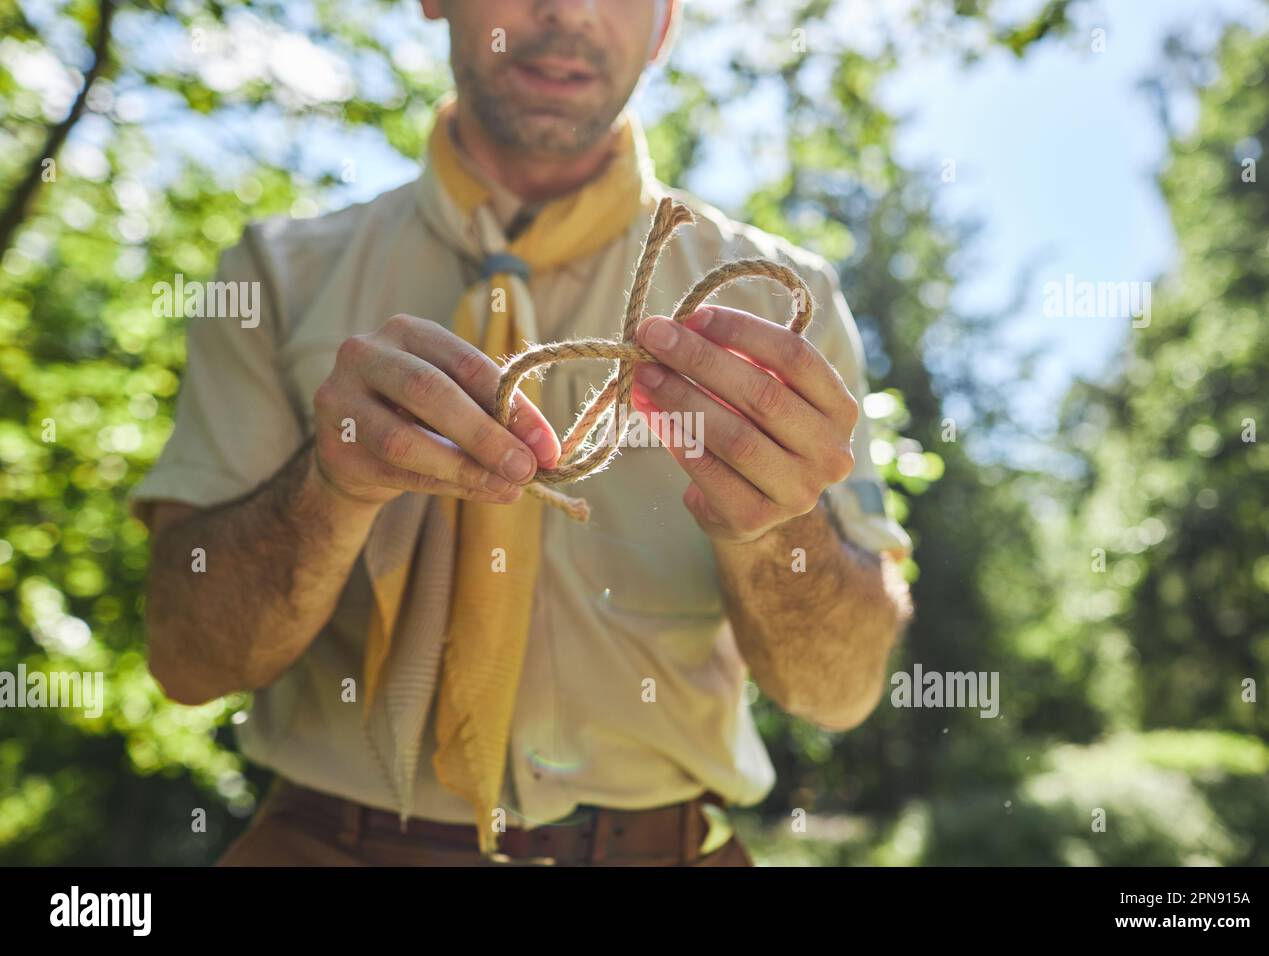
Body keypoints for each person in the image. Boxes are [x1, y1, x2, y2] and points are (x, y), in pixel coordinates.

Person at [131, 0, 914, 867]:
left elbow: (838, 693)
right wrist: (330, 489)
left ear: (666, 26)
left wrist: (781, 528)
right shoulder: (274, 278)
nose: (567, 10)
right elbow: (185, 661)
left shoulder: (781, 303)